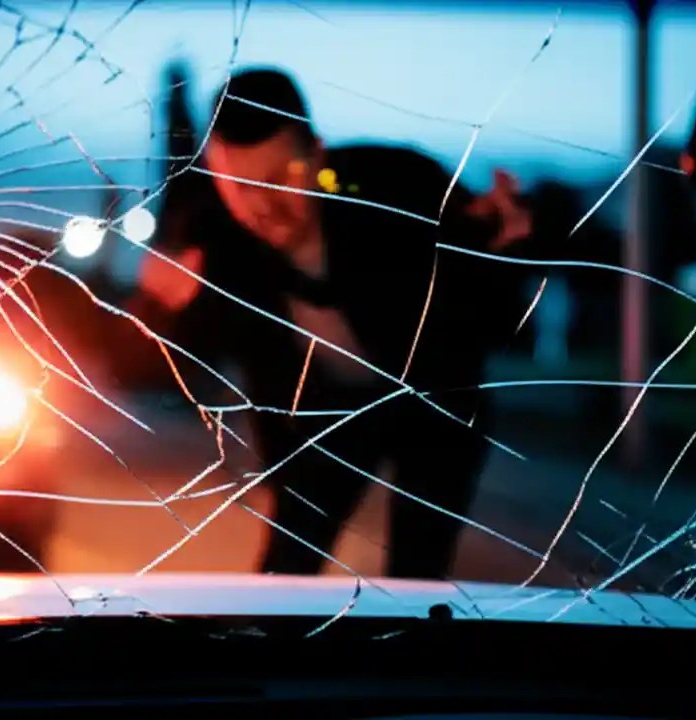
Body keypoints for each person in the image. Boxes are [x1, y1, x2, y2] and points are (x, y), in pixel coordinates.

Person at [128, 67, 541, 578]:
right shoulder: (213, 237)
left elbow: (493, 300)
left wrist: (512, 245)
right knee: (283, 576)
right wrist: (161, 308)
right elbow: (164, 367)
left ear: (317, 154)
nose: (263, 205)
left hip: (435, 401)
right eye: (240, 186)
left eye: (279, 178)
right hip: (328, 412)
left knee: (417, 575)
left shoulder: (397, 184)